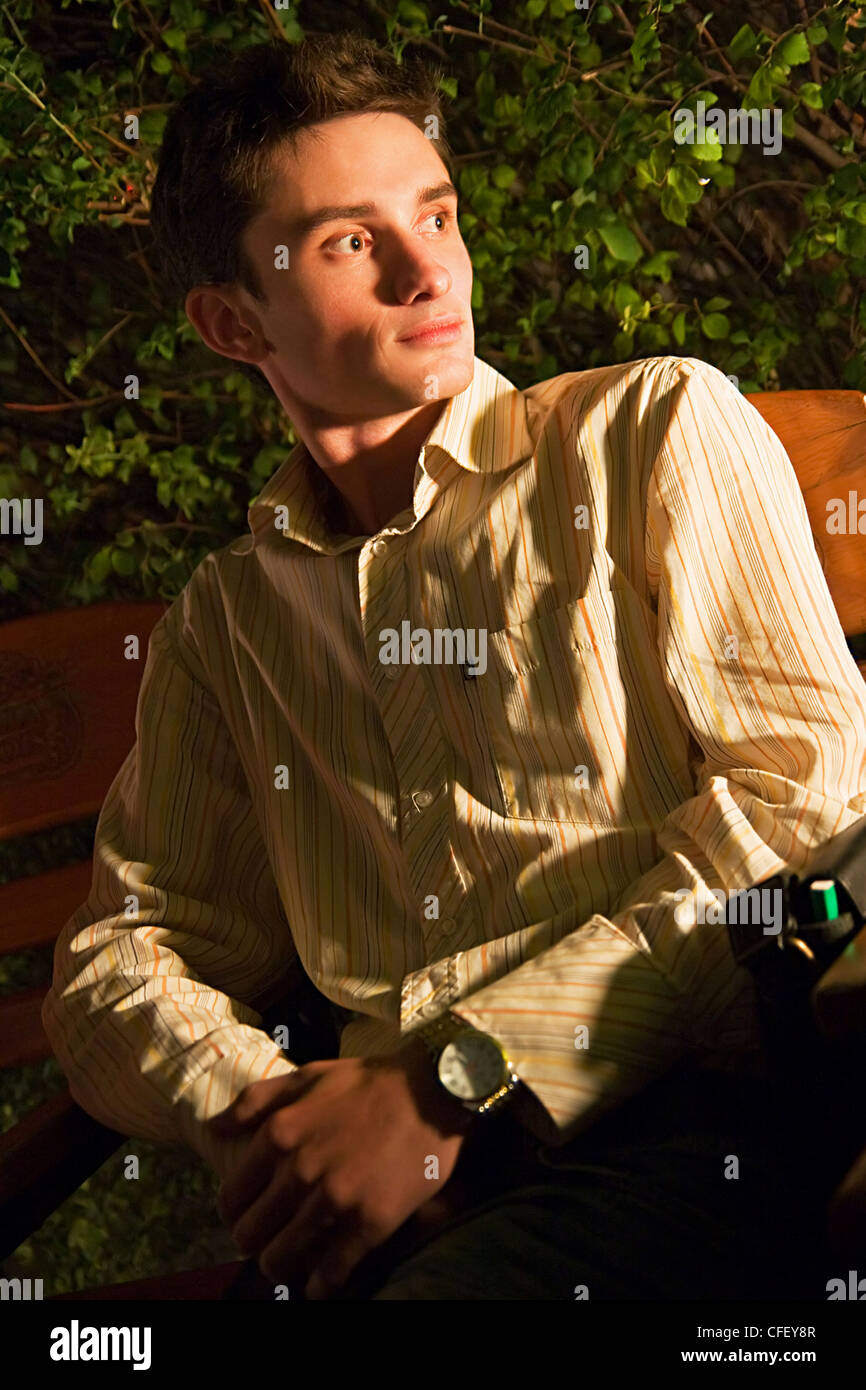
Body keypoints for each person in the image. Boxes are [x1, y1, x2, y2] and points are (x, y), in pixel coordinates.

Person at [41, 32, 866, 1301]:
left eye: (435, 212)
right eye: (348, 240)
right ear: (226, 320)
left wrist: (453, 1079)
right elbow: (122, 955)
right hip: (387, 1210)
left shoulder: (647, 433)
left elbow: (800, 817)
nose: (430, 267)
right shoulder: (228, 623)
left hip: (694, 1123)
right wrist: (282, 1119)